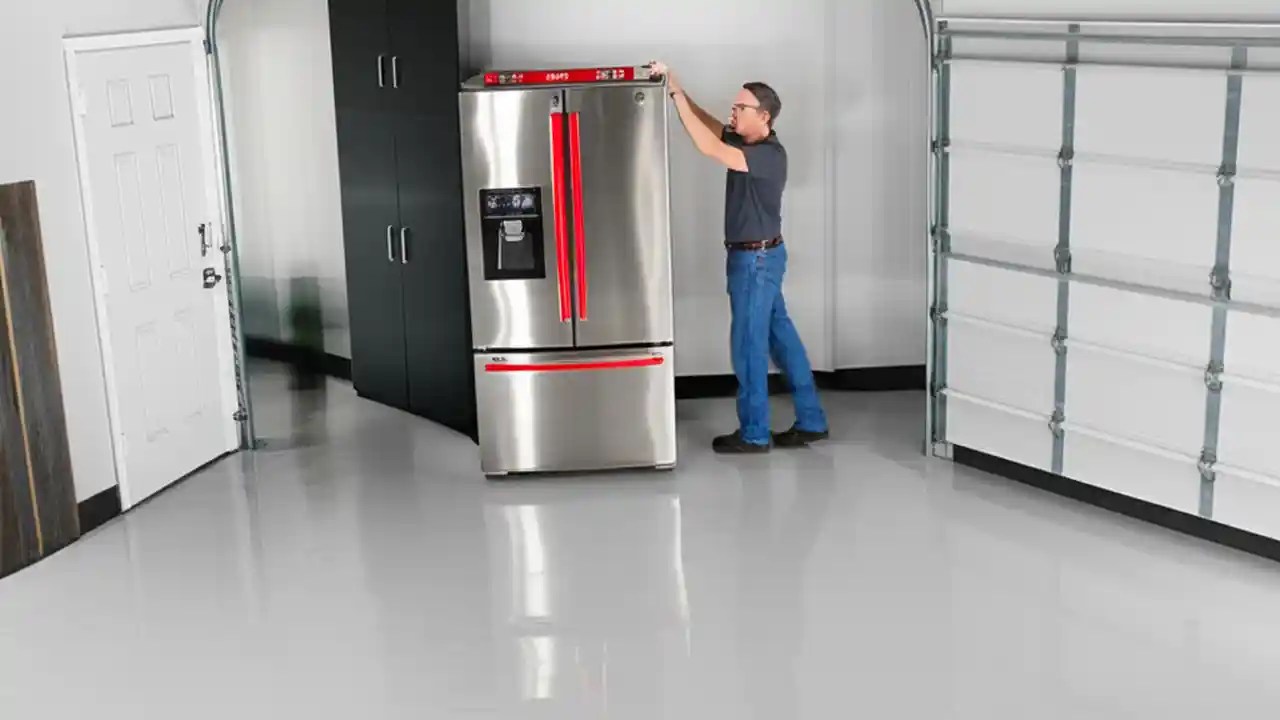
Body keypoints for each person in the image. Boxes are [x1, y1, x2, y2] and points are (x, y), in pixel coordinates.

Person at [648, 62, 828, 454]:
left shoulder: (768, 155)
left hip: (755, 263)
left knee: (748, 345)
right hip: (763, 257)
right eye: (734, 106)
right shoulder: (746, 144)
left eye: (741, 108)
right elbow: (711, 128)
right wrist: (676, 88)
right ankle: (812, 421)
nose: (733, 112)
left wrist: (675, 95)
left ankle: (754, 433)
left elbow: (708, 147)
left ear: (764, 117)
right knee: (782, 340)